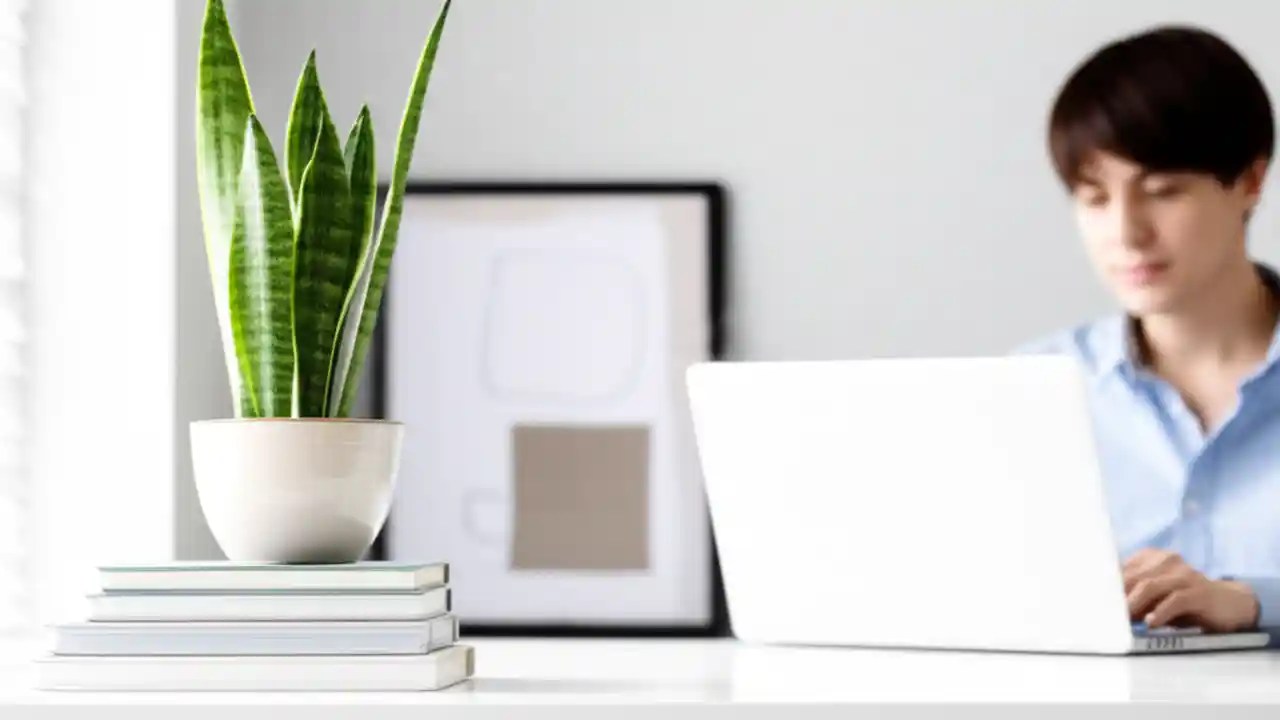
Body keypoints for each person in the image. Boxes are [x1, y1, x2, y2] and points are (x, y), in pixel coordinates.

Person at [1020, 24, 1280, 636]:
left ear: (1249, 181)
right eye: (1094, 200)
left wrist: (1252, 601)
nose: (1127, 233)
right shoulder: (1036, 389)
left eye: (1162, 192)